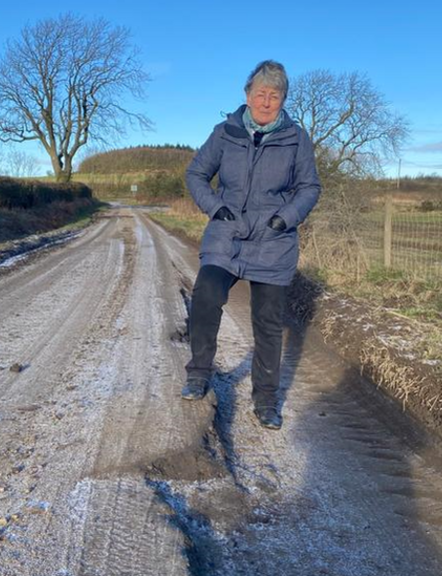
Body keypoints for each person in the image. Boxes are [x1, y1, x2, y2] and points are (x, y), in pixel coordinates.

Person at [181, 59, 321, 430]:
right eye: (260, 93)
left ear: (283, 100)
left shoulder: (296, 139)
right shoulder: (225, 133)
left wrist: (284, 219)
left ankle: (266, 400)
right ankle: (198, 373)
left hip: (273, 240)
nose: (266, 101)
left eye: (274, 95)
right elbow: (196, 173)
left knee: (269, 322)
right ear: (247, 95)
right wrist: (216, 208)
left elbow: (309, 187)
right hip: (227, 234)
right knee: (206, 295)